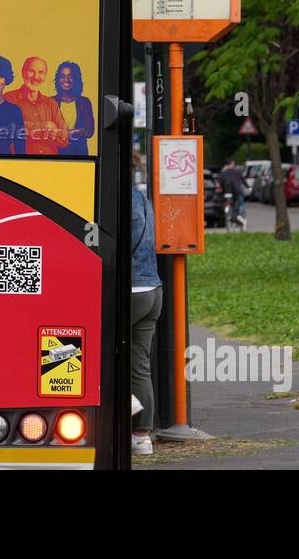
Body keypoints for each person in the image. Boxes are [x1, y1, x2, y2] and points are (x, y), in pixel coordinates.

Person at [130, 172, 162, 456]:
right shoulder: (143, 199)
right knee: (139, 364)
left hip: (131, 290)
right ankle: (141, 437)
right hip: (153, 289)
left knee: (85, 351)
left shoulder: (119, 199)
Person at [6, 56, 68, 155]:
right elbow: (7, 130)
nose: (36, 77)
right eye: (31, 71)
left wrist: (29, 129)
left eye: (41, 72)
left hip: (49, 165)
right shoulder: (9, 99)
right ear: (23, 72)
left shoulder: (51, 103)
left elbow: (65, 140)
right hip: (21, 164)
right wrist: (45, 127)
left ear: (45, 76)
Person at [53, 61, 94, 156]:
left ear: (76, 79)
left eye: (70, 76)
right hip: (56, 155)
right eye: (62, 76)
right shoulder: (51, 102)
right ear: (58, 79)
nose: (66, 80)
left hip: (79, 154)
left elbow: (90, 131)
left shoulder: (84, 102)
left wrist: (75, 132)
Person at [218, 157, 248, 225]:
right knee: (240, 203)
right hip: (237, 192)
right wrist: (248, 187)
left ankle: (229, 215)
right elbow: (243, 180)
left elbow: (220, 182)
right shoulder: (237, 171)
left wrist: (223, 190)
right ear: (233, 164)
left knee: (228, 203)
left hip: (227, 192)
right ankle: (240, 215)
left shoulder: (224, 172)